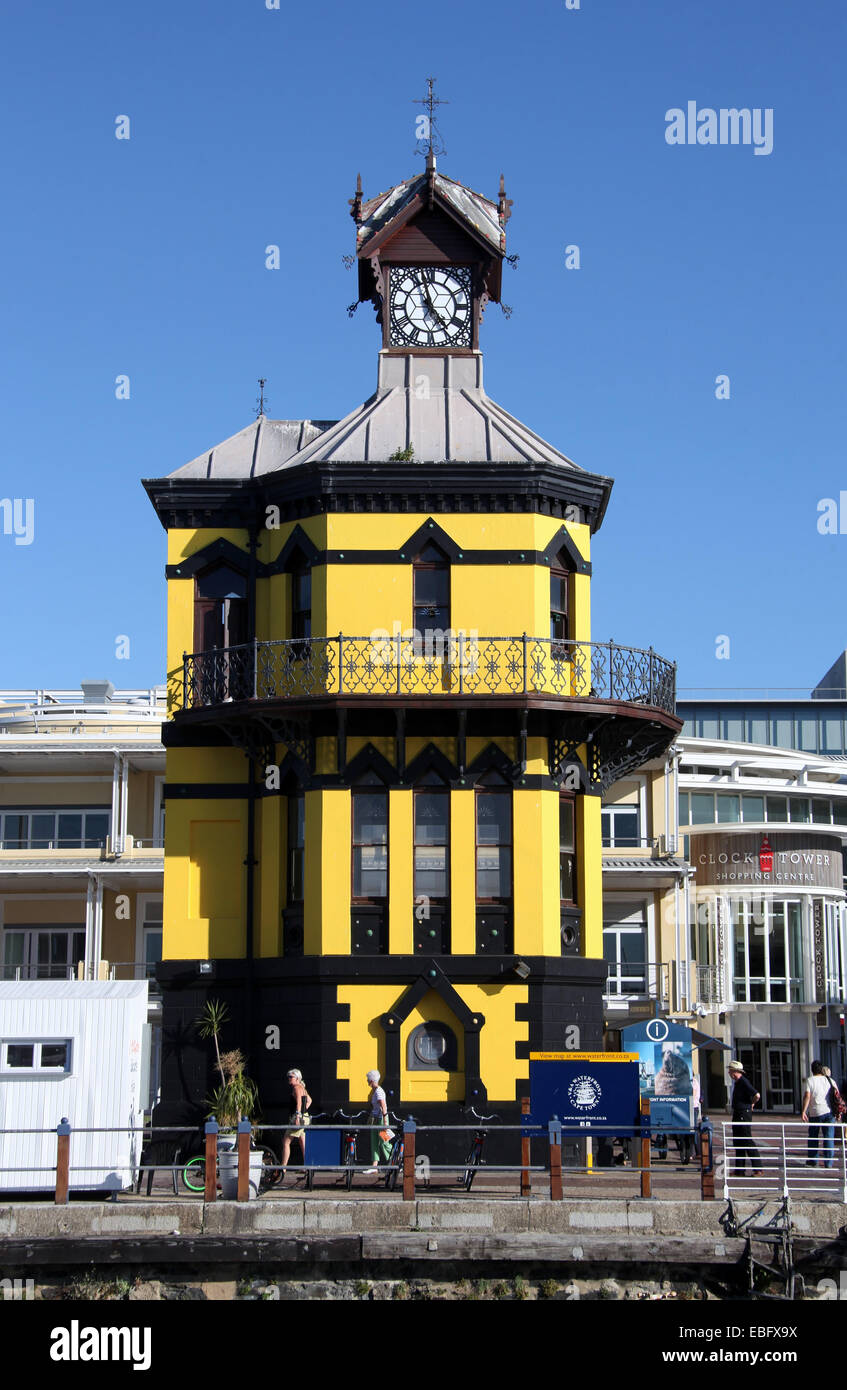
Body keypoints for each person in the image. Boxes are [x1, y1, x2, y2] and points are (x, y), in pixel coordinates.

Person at [728, 1060, 762, 1177]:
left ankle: (758, 1168)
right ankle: (739, 1169)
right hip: (738, 1113)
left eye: (730, 1070)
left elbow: (756, 1095)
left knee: (747, 1139)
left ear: (735, 1071)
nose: (729, 1072)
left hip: (743, 1113)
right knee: (738, 1141)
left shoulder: (743, 1081)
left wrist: (751, 1104)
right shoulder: (738, 1082)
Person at [801, 1060, 835, 1168]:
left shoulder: (810, 1081)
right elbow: (837, 1095)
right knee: (828, 1137)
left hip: (815, 1112)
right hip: (829, 1112)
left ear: (812, 1070)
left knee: (813, 1136)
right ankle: (828, 1162)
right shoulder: (830, 1080)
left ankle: (813, 1160)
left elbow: (807, 1096)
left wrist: (803, 1111)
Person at [280, 1067, 312, 1181]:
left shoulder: (297, 1088)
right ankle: (307, 1166)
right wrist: (304, 1111)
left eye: (291, 1077)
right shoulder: (302, 1087)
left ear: (297, 1078)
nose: (289, 1079)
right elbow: (309, 1100)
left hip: (298, 1118)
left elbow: (299, 1101)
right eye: (288, 1077)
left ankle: (283, 1168)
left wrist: (298, 1115)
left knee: (286, 1141)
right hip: (305, 1117)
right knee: (302, 1141)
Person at [366, 1068, 392, 1177]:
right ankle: (374, 1166)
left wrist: (385, 1123)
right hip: (375, 1119)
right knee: (374, 1141)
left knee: (384, 1141)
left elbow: (383, 1106)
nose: (367, 1081)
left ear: (372, 1081)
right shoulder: (375, 1091)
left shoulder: (379, 1092)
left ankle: (395, 1161)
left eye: (368, 1079)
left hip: (381, 1119)